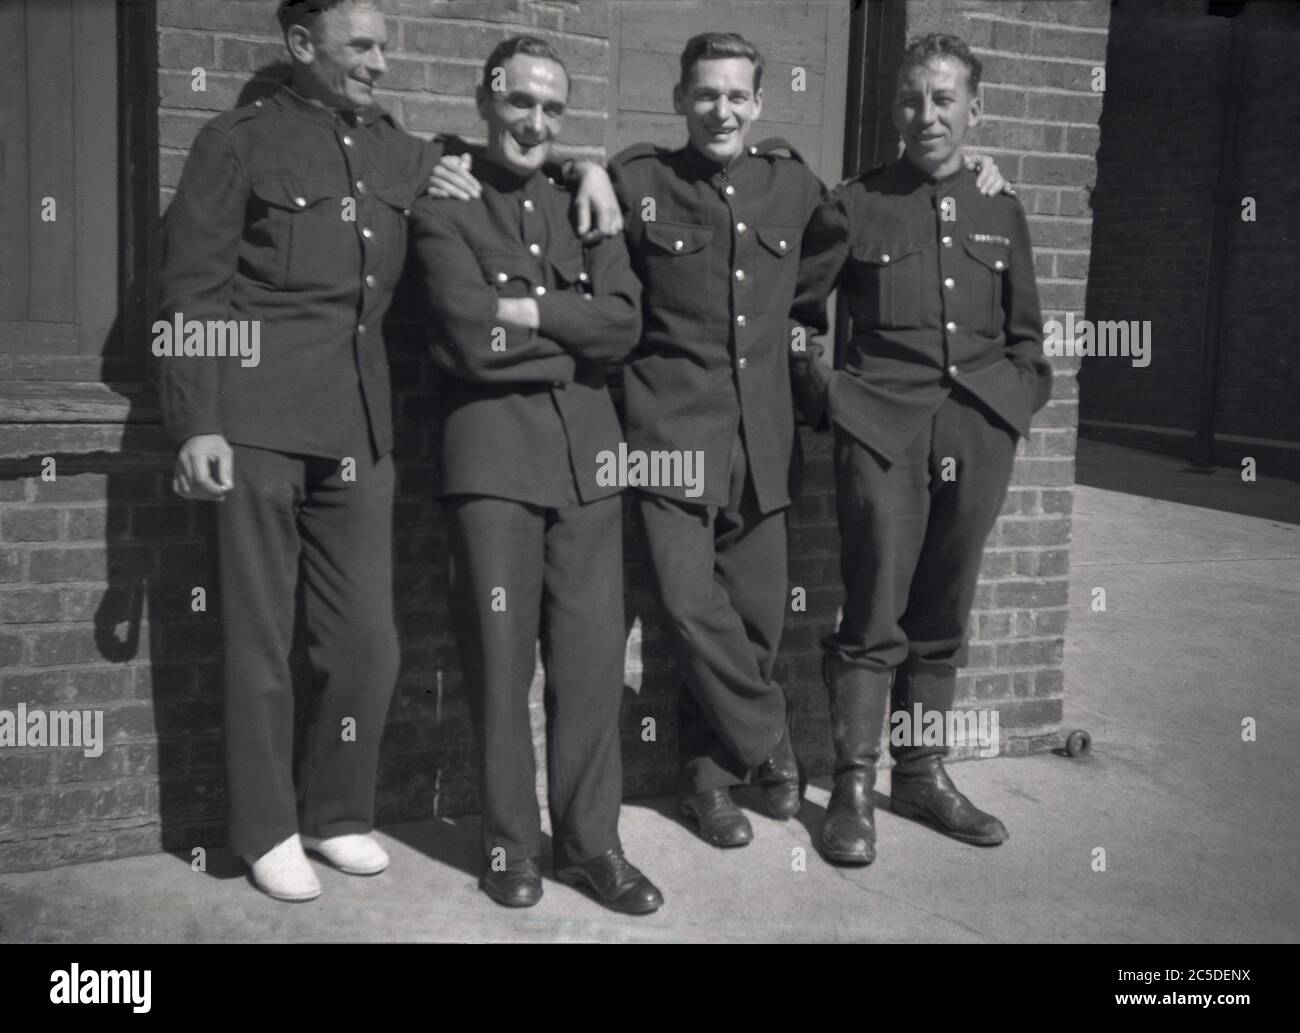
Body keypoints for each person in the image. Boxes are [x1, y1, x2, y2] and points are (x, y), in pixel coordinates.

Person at [156, 0, 606, 902]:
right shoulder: (237, 143)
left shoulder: (399, 151)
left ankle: (335, 812)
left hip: (360, 429)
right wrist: (196, 421)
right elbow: (192, 289)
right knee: (259, 640)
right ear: (300, 45)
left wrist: (585, 165)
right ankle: (266, 830)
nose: (378, 62)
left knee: (367, 642)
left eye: (383, 46)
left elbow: (508, 145)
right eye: (358, 46)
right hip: (255, 421)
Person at [603, 33, 1013, 850]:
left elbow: (861, 243)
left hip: (763, 436)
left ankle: (707, 782)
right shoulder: (636, 180)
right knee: (686, 607)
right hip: (669, 434)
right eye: (705, 94)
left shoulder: (794, 187)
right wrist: (577, 168)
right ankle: (767, 733)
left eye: (737, 96)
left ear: (758, 103)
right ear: (680, 99)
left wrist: (976, 172)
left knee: (756, 622)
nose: (721, 110)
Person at [407, 35, 663, 914]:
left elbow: (623, 324)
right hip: (493, 471)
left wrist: (528, 310)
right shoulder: (445, 203)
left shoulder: (583, 200)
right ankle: (509, 843)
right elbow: (467, 337)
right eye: (521, 102)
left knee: (591, 668)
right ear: (487, 98)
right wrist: (570, 335)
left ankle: (593, 846)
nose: (535, 122)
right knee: (499, 664)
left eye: (553, 108)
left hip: (590, 468)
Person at [802, 33, 1054, 867]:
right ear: (895, 109)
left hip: (978, 428)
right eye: (912, 99)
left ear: (974, 108)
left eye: (944, 99)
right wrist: (833, 399)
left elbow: (1026, 332)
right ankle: (851, 786)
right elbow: (800, 320)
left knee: (943, 610)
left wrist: (1012, 407)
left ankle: (919, 773)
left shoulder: (1000, 208)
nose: (927, 115)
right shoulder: (856, 203)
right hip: (883, 430)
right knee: (873, 608)